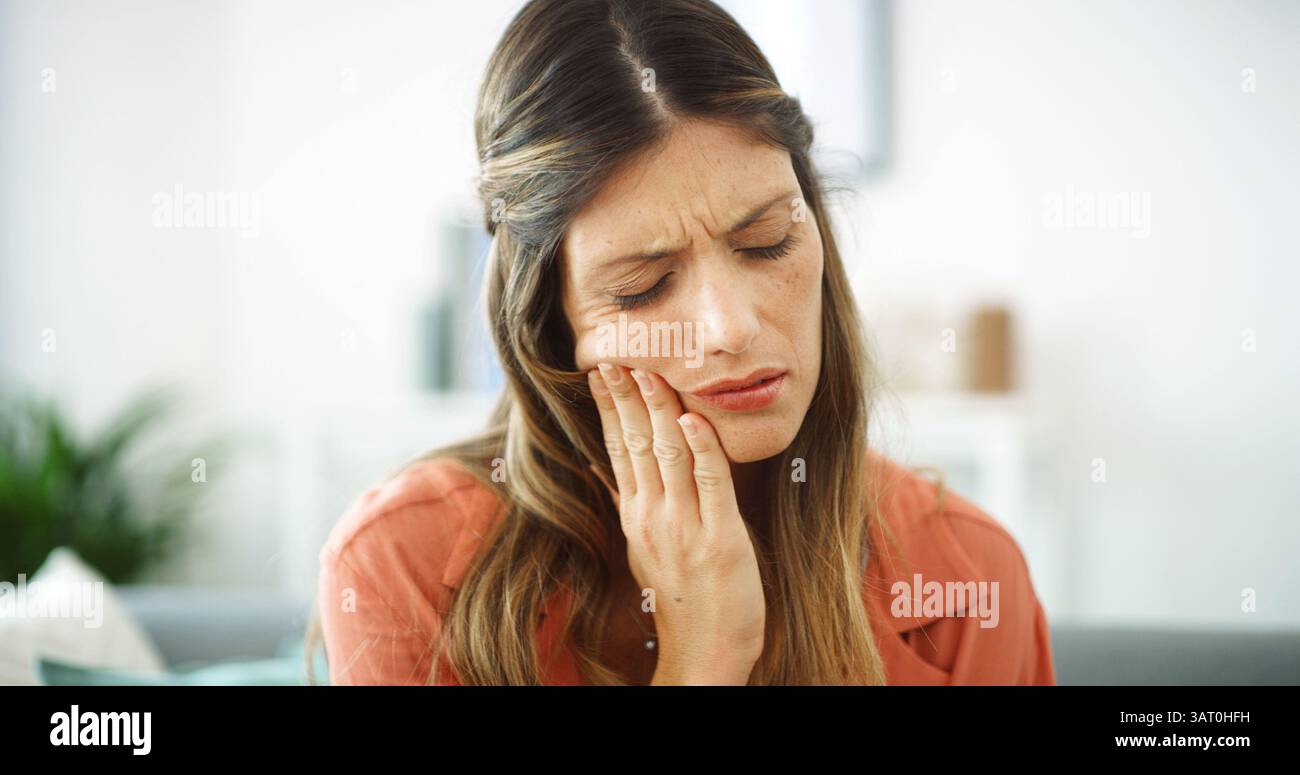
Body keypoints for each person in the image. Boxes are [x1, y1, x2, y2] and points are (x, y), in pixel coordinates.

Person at [309, 0, 1056, 686]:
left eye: (766, 243)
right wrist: (703, 657)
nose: (732, 327)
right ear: (552, 321)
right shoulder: (403, 563)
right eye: (642, 287)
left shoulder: (967, 575)